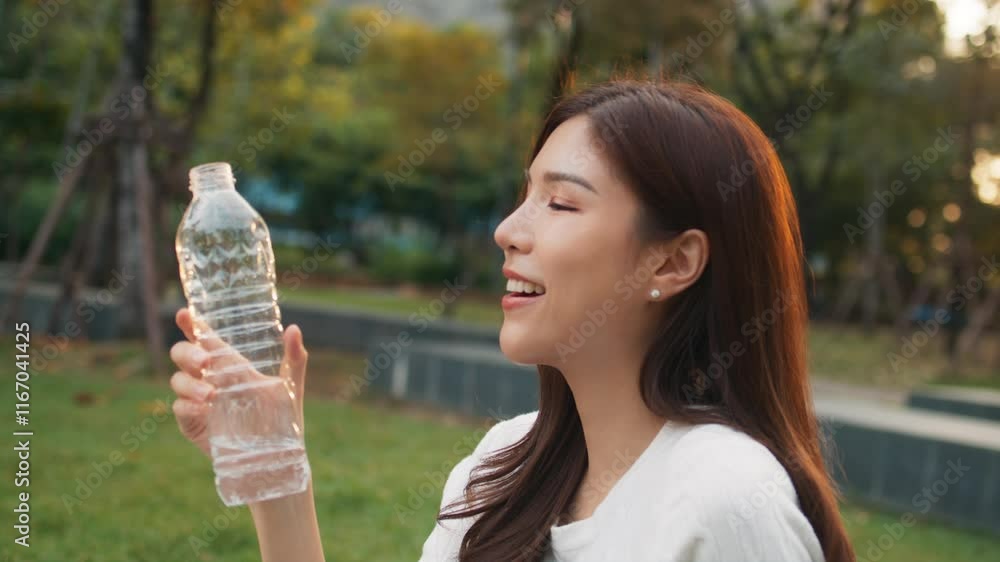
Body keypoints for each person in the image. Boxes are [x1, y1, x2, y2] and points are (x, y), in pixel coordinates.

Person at [168, 79, 856, 562]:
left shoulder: (724, 500)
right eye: (524, 195)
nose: (506, 230)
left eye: (561, 204)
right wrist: (277, 470)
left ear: (673, 263)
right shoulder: (499, 467)